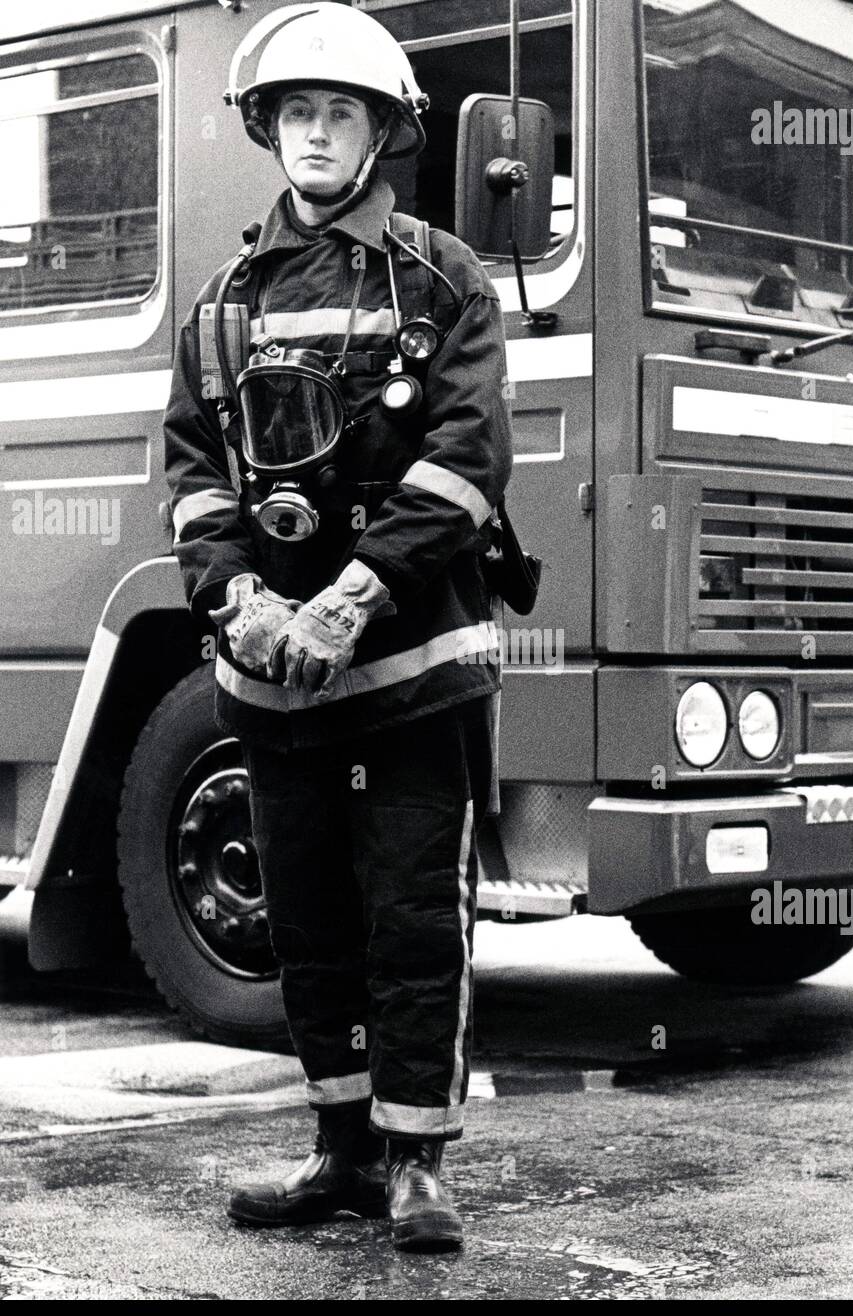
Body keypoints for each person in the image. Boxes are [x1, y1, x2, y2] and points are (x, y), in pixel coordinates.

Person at [162, 2, 513, 1252]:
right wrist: (241, 602)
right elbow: (197, 477)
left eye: (340, 113)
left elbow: (468, 462)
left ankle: (418, 1161)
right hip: (274, 687)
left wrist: (347, 603)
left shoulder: (444, 278)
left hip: (413, 676)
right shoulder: (219, 306)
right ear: (269, 129)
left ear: (381, 131)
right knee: (307, 921)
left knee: (415, 915)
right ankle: (342, 1151)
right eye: (297, 113)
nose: (316, 134)